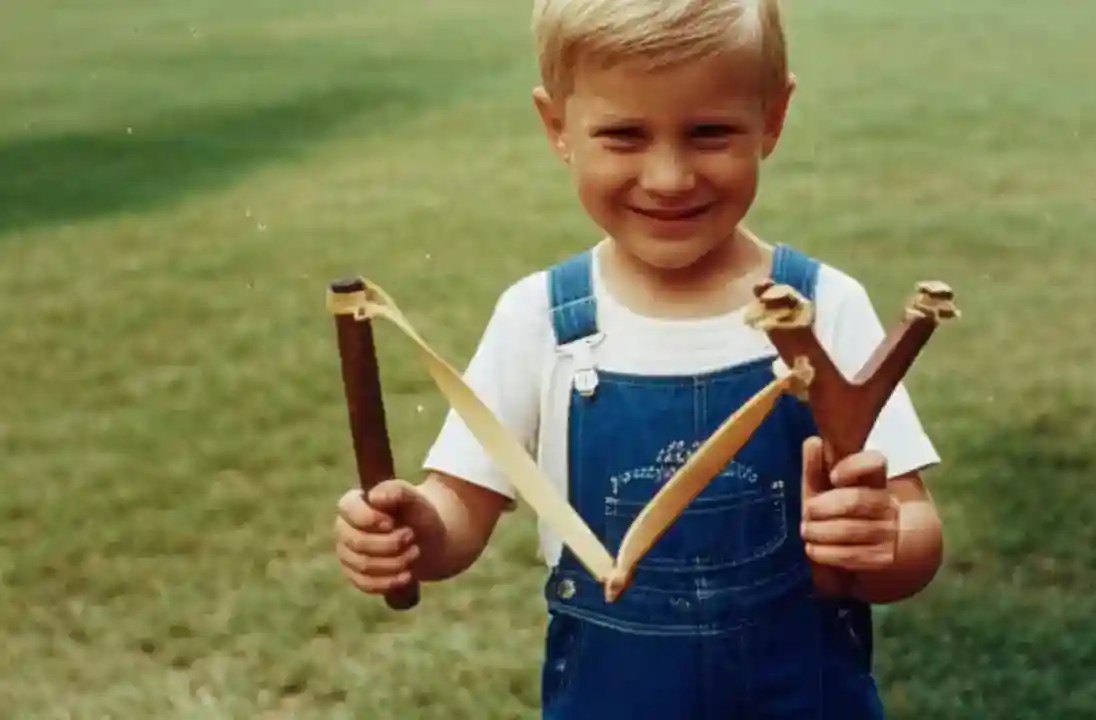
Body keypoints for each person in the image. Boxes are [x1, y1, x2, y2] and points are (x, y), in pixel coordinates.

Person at [333, 1, 945, 717]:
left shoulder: (822, 308)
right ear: (557, 126)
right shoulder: (540, 320)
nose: (669, 177)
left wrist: (882, 541)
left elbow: (916, 531)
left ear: (773, 119)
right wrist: (413, 532)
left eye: (709, 132)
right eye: (624, 135)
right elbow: (458, 511)